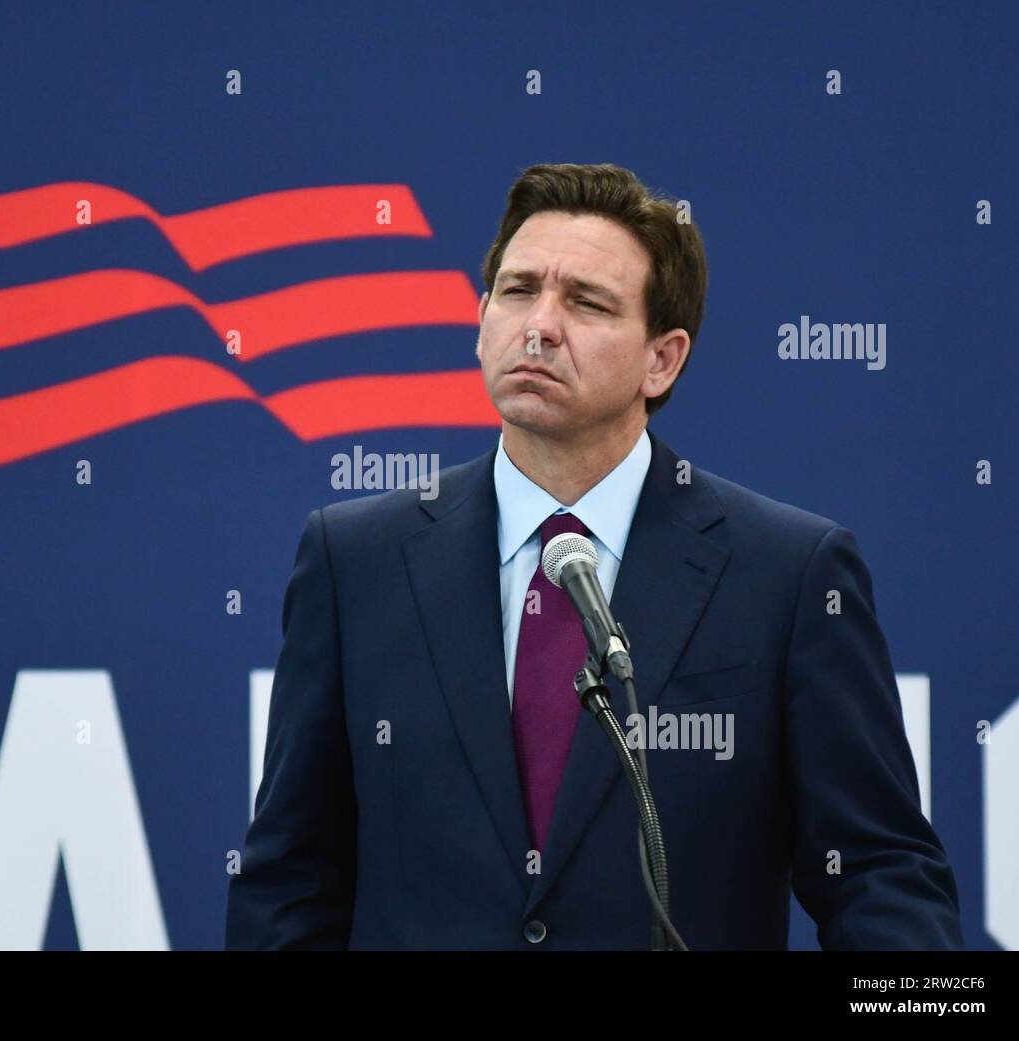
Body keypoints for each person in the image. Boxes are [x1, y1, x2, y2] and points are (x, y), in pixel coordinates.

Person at [225, 162, 964, 950]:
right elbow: (290, 878)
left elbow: (879, 874)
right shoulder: (356, 559)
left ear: (663, 359)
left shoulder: (788, 573)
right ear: (480, 320)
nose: (538, 326)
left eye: (586, 302)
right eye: (517, 292)